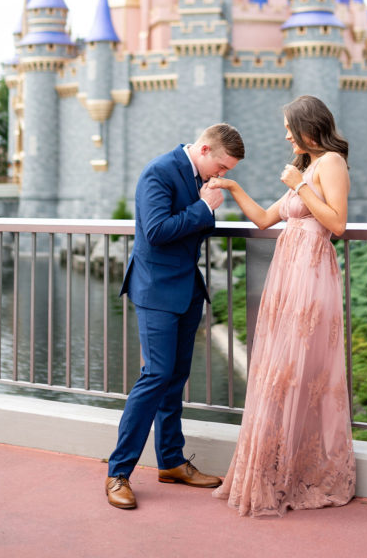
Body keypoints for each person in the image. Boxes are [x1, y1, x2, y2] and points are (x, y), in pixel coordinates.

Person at [208, 95, 356, 518]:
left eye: (290, 127)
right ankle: (276, 468)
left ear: (309, 126)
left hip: (311, 277)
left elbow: (338, 224)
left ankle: (303, 470)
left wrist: (300, 185)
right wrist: (233, 187)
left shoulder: (329, 164)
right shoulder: (307, 168)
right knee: (277, 370)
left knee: (298, 373)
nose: (286, 134)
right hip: (286, 277)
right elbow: (263, 220)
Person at [105, 123, 245, 510]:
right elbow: (155, 231)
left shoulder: (199, 176)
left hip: (186, 290)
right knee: (156, 375)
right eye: (222, 166)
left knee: (175, 379)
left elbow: (190, 230)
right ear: (203, 149)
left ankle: (170, 462)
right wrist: (203, 208)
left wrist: (204, 206)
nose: (223, 175)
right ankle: (118, 472)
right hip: (155, 290)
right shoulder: (159, 171)